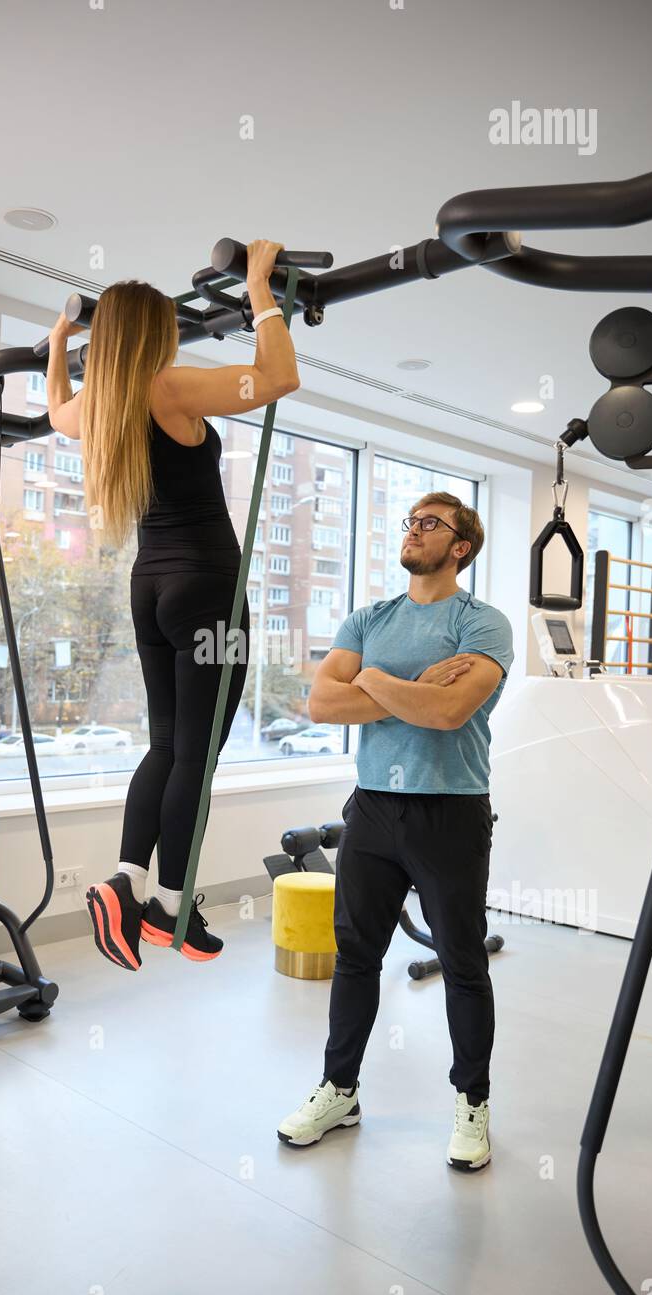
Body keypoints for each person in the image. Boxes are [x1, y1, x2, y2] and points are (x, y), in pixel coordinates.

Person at [45, 241, 300, 971]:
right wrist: (259, 288)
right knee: (198, 753)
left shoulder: (99, 408)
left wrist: (60, 342)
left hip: (149, 589)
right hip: (208, 592)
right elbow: (280, 375)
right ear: (156, 337)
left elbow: (57, 405)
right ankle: (175, 904)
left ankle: (129, 884)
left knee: (165, 746)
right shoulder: (173, 389)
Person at [277, 493, 514, 1170]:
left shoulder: (483, 624)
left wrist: (374, 683)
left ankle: (473, 1104)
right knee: (355, 957)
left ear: (461, 545)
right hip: (374, 809)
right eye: (410, 521)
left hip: (450, 810)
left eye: (430, 523)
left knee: (463, 963)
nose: (414, 530)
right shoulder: (369, 617)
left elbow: (449, 714)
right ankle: (340, 1089)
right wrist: (408, 686)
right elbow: (321, 702)